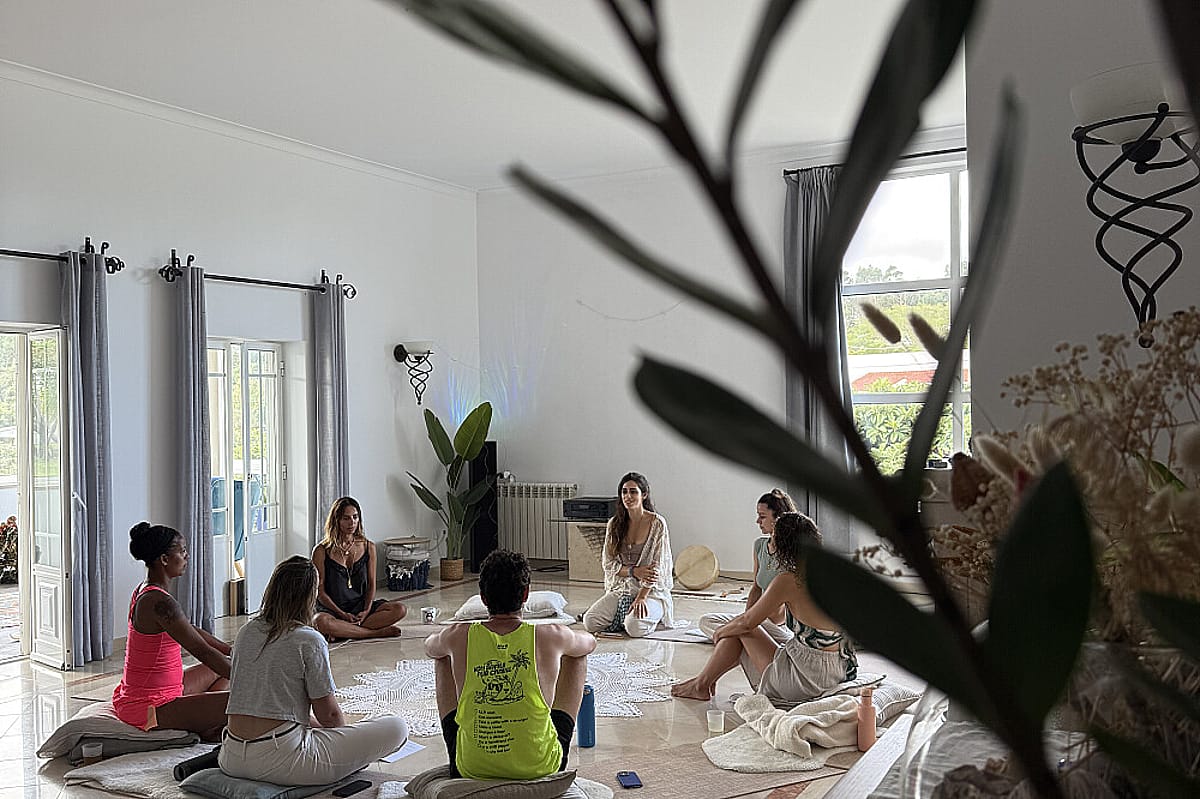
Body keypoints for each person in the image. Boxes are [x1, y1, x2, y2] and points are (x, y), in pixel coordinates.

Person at [220, 556, 409, 785]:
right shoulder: (308, 639)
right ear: (310, 596)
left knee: (314, 729)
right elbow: (329, 716)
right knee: (397, 727)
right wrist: (344, 739)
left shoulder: (246, 631)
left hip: (230, 757)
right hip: (283, 761)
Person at [425, 549, 597, 780]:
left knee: (442, 657)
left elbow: (429, 647)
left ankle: (458, 753)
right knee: (577, 656)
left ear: (483, 598)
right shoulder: (552, 635)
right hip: (541, 767)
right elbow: (590, 642)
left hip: (471, 769)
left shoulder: (458, 634)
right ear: (525, 594)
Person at [671, 512, 858, 703]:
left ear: (783, 545)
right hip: (838, 668)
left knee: (738, 629)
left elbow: (747, 623)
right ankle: (704, 682)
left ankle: (701, 685)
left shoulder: (789, 580)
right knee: (738, 625)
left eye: (774, 536)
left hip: (806, 680)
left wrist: (720, 633)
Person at [112, 522, 231, 741]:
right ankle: (205, 724)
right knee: (242, 700)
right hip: (150, 706)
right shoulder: (158, 602)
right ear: (164, 559)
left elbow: (188, 628)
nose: (187, 557)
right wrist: (251, 680)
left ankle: (204, 723)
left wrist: (228, 649)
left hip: (165, 691)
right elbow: (201, 651)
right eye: (182, 551)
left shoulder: (148, 590)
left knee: (224, 670)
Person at [695, 489, 798, 644]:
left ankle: (743, 640)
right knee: (706, 621)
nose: (758, 521)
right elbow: (756, 587)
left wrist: (748, 623)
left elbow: (785, 610)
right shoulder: (759, 545)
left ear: (778, 519)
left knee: (739, 630)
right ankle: (746, 640)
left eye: (762, 516)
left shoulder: (793, 552)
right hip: (756, 621)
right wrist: (745, 618)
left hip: (779, 626)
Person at [581, 472, 676, 637]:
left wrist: (641, 597)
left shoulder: (657, 524)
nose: (628, 496)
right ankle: (625, 614)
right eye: (624, 492)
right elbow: (609, 564)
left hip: (650, 591)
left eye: (633, 491)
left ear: (644, 494)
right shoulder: (614, 524)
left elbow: (657, 568)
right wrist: (634, 571)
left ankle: (655, 613)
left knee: (634, 628)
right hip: (623, 589)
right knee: (590, 621)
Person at [311, 497, 406, 640]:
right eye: (346, 518)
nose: (352, 523)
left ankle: (343, 630)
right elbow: (320, 592)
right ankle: (373, 633)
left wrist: (367, 610)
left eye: (355, 517)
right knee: (320, 621)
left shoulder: (368, 547)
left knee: (399, 609)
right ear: (336, 520)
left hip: (360, 607)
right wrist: (342, 614)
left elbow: (372, 584)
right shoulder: (321, 550)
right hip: (332, 609)